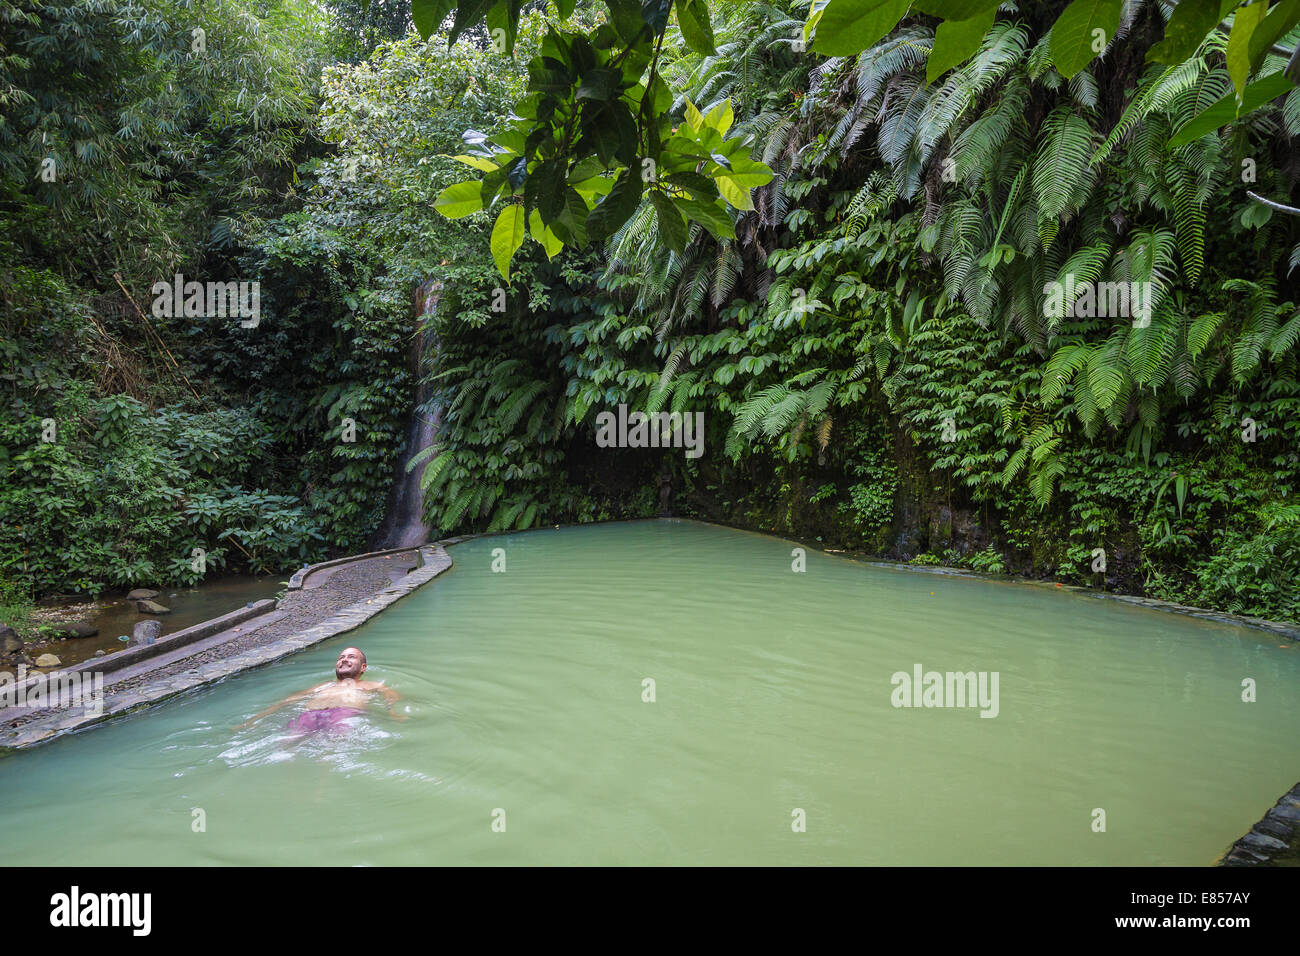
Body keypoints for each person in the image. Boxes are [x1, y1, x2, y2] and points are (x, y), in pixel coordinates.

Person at [236, 646, 406, 734]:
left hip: (343, 716)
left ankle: (319, 794)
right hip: (309, 715)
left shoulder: (371, 685)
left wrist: (393, 712)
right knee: (286, 748)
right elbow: (287, 702)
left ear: (363, 667)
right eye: (341, 657)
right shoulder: (323, 686)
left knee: (329, 757)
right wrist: (253, 720)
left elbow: (390, 696)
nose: (344, 659)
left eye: (351, 657)